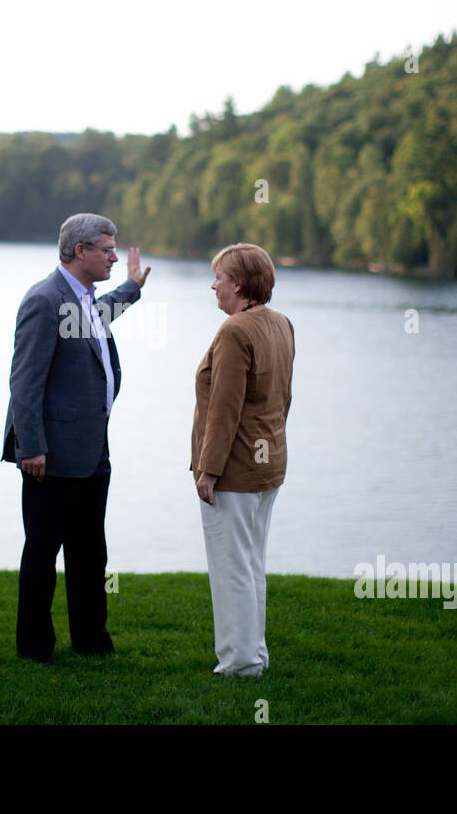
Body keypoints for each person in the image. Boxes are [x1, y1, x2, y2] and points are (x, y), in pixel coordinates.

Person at [2, 213, 150, 663]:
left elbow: (100, 316)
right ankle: (34, 648)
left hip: (92, 451)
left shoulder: (83, 298)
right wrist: (32, 447)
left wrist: (132, 288)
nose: (113, 255)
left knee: (90, 555)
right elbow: (24, 382)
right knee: (43, 555)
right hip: (50, 456)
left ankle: (91, 642)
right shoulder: (44, 300)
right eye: (107, 249)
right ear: (80, 251)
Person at [191, 243, 294, 677]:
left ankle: (240, 663)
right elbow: (281, 400)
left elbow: (224, 407)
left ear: (239, 284)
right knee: (251, 564)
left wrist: (208, 469)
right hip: (267, 464)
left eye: (219, 277)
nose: (213, 284)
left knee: (233, 568)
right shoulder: (281, 323)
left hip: (233, 470)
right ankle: (255, 655)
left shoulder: (235, 331)